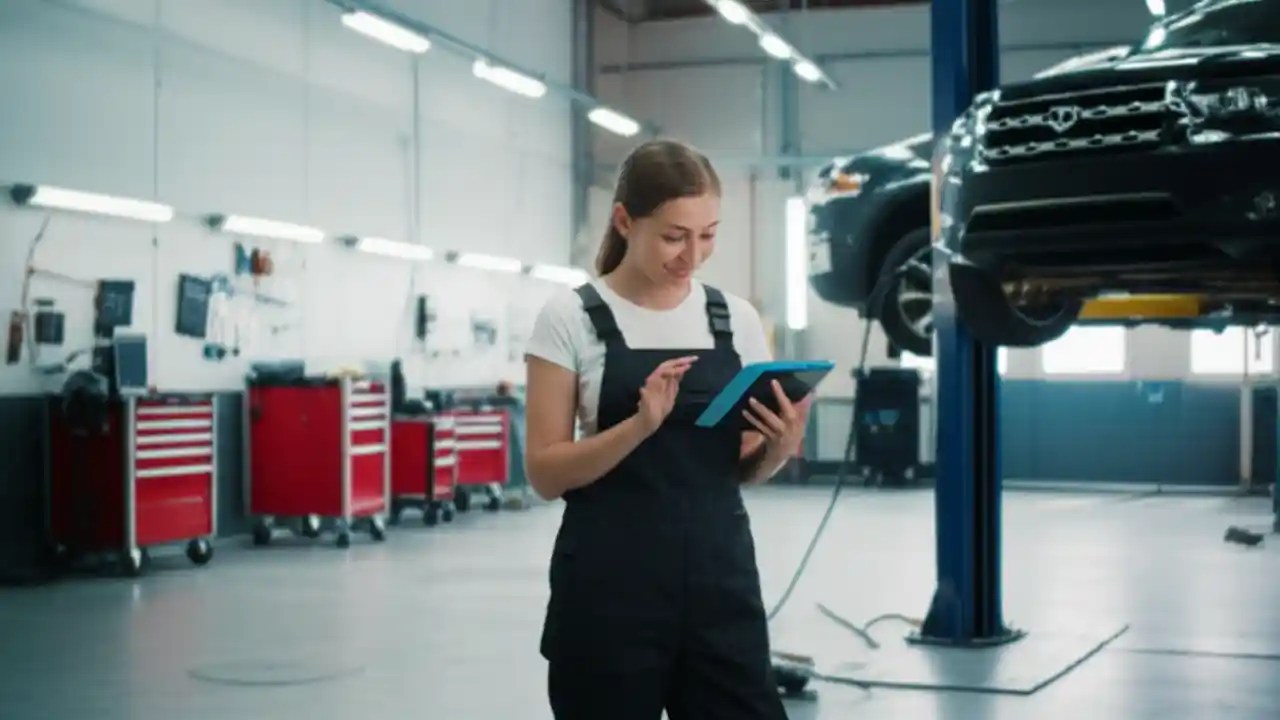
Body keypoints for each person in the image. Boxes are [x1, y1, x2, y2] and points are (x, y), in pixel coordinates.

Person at [523, 138, 811, 719]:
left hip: (719, 583)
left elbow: (740, 469)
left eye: (708, 234)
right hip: (607, 591)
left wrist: (777, 451)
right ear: (625, 221)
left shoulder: (735, 321)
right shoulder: (571, 319)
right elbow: (545, 473)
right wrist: (639, 424)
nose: (693, 255)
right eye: (675, 236)